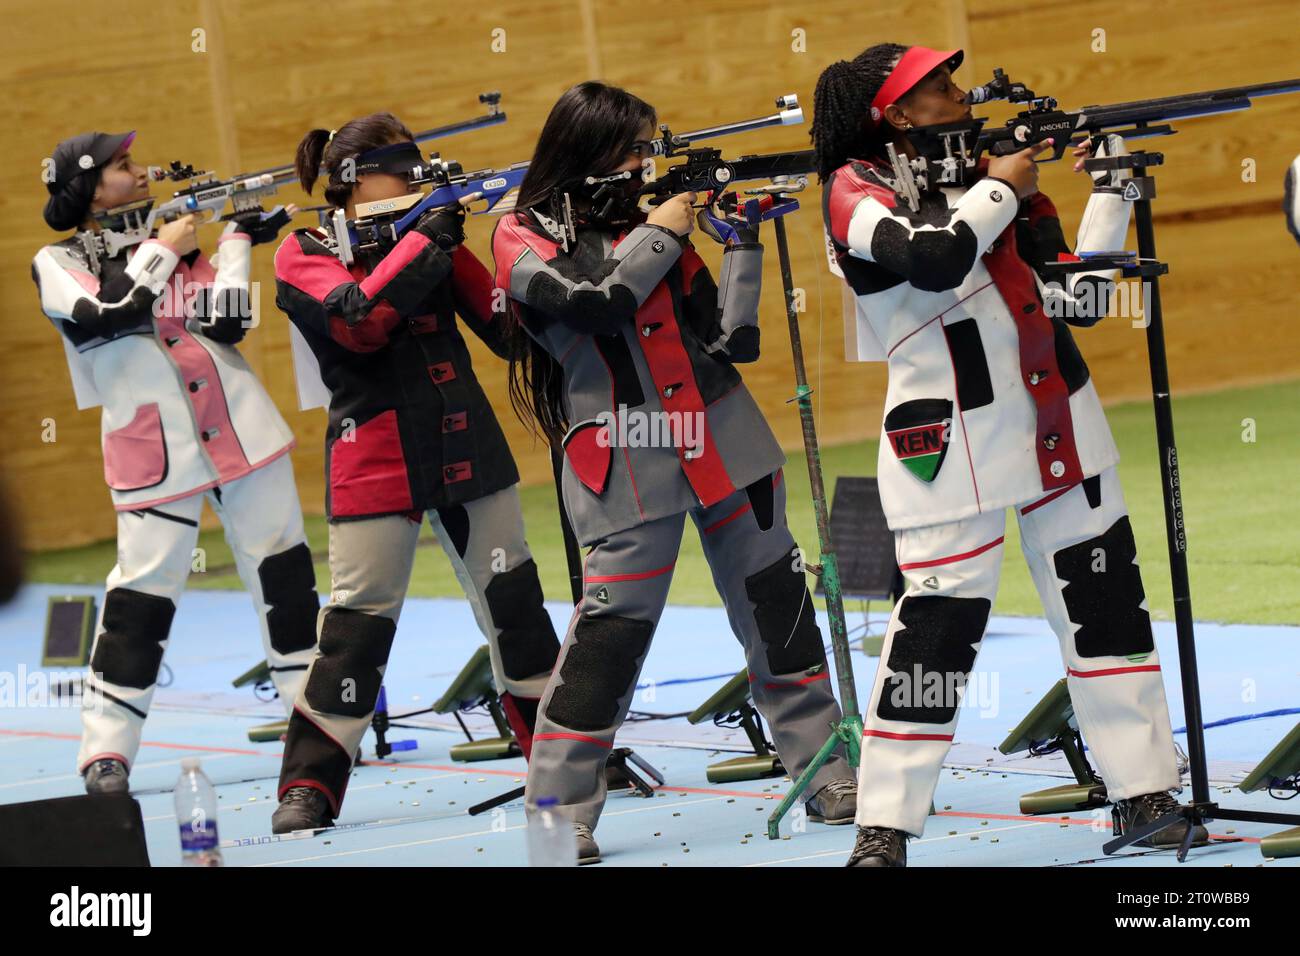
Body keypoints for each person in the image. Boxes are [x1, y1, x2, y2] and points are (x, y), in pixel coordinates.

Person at [813, 44, 1207, 866]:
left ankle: (1144, 792)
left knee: (1107, 620)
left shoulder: (995, 190)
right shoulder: (855, 190)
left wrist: (1108, 191)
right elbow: (932, 256)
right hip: (946, 444)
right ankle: (883, 828)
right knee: (932, 639)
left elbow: (1084, 298)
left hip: (1061, 424)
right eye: (941, 88)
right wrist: (1003, 186)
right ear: (894, 113)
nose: (961, 96)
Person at [493, 81, 859, 864]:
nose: (644, 165)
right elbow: (593, 302)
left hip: (726, 441)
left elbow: (730, 343)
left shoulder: (654, 227)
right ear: (586, 151)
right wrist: (661, 231)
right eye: (633, 149)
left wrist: (745, 245)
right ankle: (559, 812)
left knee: (778, 610)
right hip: (622, 457)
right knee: (608, 640)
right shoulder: (517, 235)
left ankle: (829, 771)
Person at [270, 113, 560, 832]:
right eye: (401, 167)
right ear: (351, 180)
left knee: (516, 605)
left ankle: (566, 754)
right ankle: (309, 781)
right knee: (357, 627)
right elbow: (356, 321)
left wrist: (534, 250)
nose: (415, 178)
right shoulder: (301, 249)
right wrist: (424, 242)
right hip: (373, 453)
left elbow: (503, 329)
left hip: (467, 442)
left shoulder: (426, 234)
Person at [32, 130, 317, 794]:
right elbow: (106, 313)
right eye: (122, 166)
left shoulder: (169, 244)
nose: (140, 172)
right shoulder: (57, 259)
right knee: (141, 599)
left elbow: (227, 325)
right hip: (151, 452)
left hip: (242, 432)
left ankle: (315, 727)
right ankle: (106, 751)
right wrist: (167, 248)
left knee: (285, 578)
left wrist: (236, 245)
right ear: (88, 187)